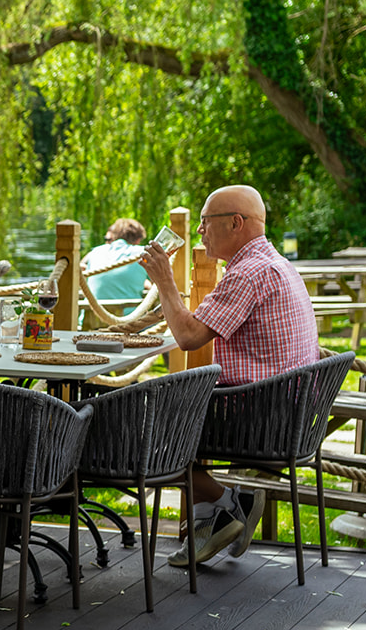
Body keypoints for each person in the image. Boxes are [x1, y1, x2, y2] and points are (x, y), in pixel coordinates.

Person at [138, 184, 322, 566]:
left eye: (206, 221)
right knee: (175, 411)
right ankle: (215, 518)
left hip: (259, 419)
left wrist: (164, 280)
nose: (200, 231)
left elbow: (188, 336)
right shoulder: (275, 263)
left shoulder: (248, 274)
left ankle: (229, 504)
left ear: (236, 223)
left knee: (145, 429)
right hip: (291, 414)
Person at [82, 219, 149, 302]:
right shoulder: (142, 253)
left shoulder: (96, 251)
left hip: (91, 309)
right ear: (138, 240)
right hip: (129, 310)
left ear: (113, 236)